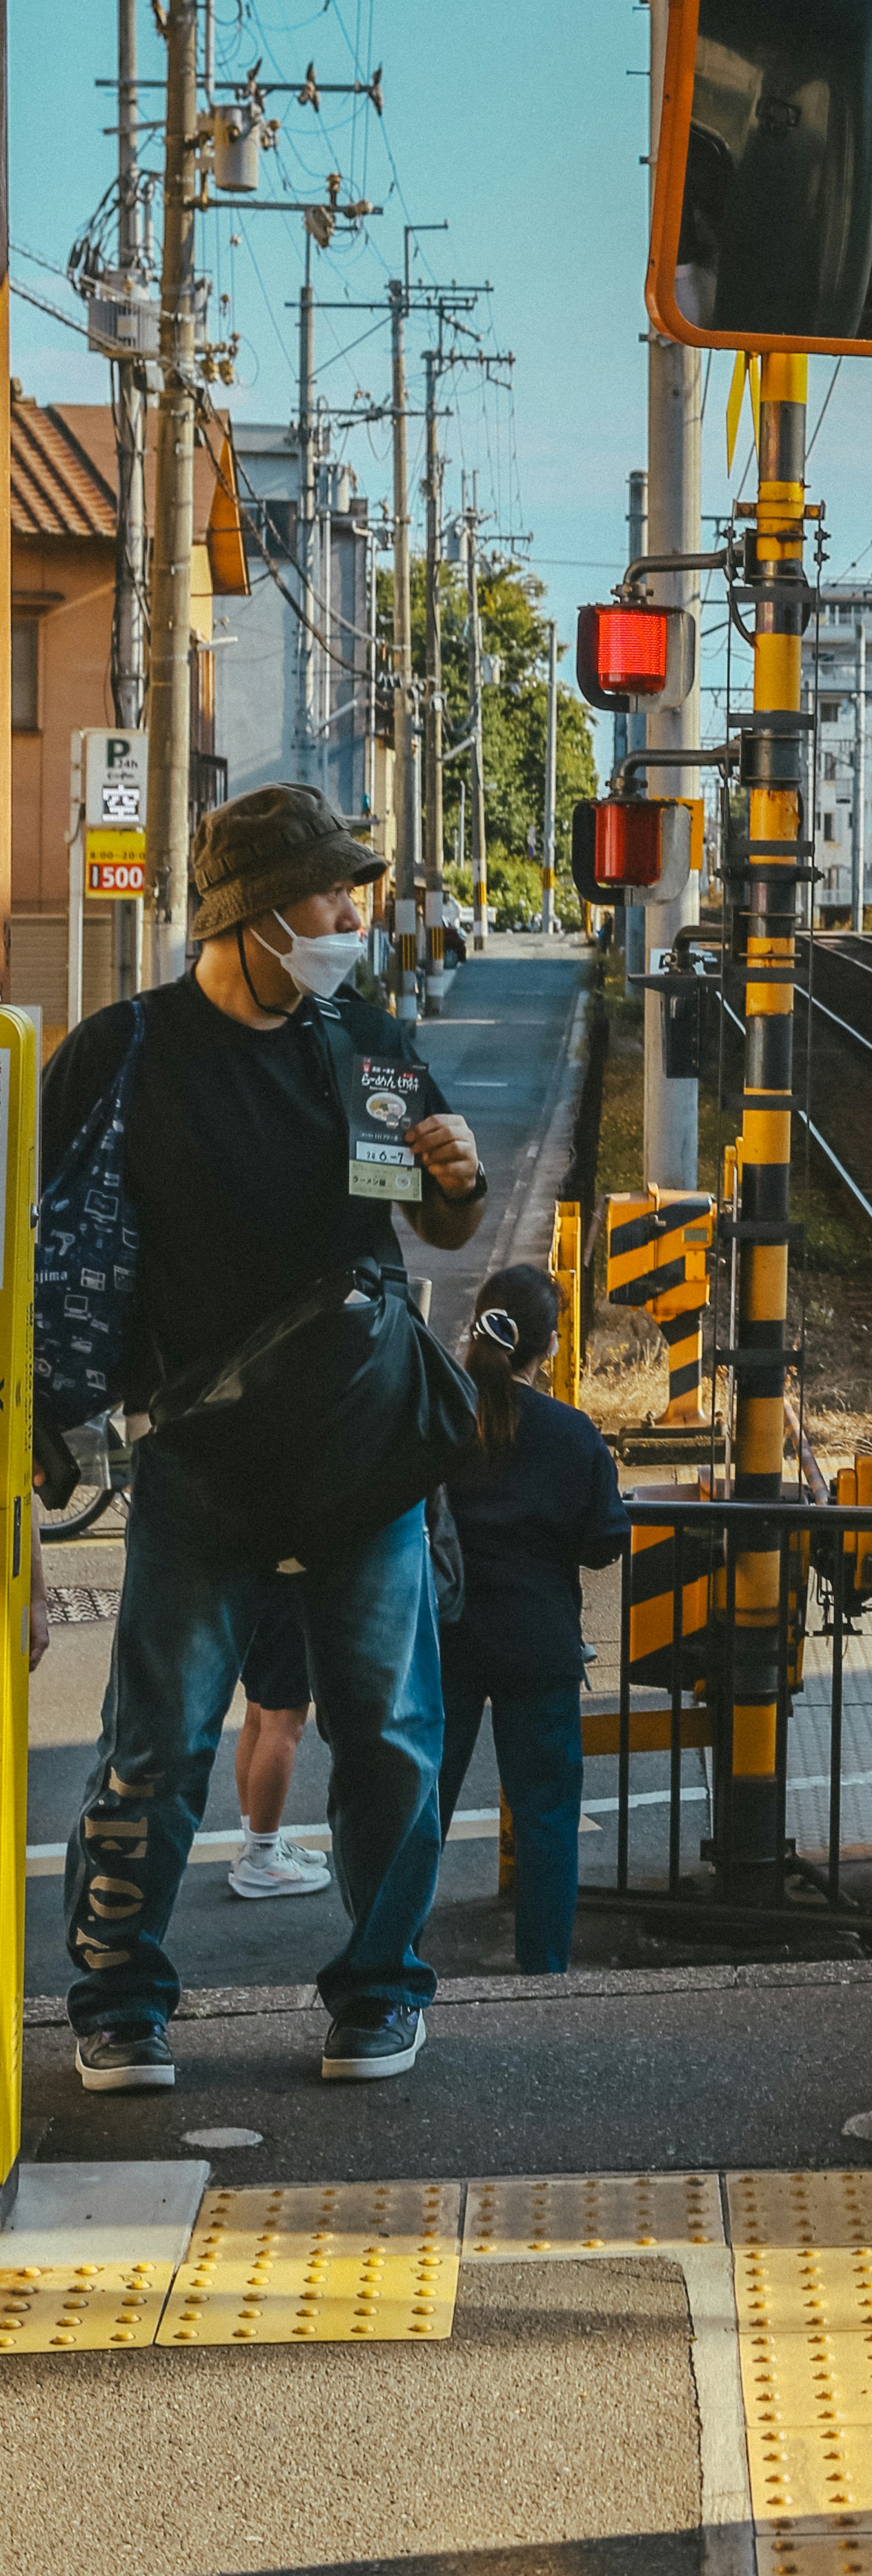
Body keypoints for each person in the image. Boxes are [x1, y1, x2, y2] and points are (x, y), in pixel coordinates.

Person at [49, 781, 488, 2092]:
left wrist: (457, 1180)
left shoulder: (369, 1043)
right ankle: (120, 2000)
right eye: (329, 891)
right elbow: (43, 1238)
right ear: (249, 911)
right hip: (199, 1459)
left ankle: (379, 1991)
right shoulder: (124, 1049)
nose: (353, 912)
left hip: (364, 1452)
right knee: (157, 1743)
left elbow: (438, 1223)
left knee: (395, 1736)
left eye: (354, 887)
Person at [435, 1265, 628, 1978]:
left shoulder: (441, 1416)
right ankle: (542, 1969)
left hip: (446, 1635)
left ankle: (393, 1959)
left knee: (424, 1804)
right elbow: (606, 1541)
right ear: (548, 1344)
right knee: (546, 1814)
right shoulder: (570, 1432)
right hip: (539, 1639)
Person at [226, 1579, 330, 1901]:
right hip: (286, 1581)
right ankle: (262, 1859)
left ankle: (257, 1842)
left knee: (259, 1710)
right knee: (284, 1720)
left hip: (253, 1579)